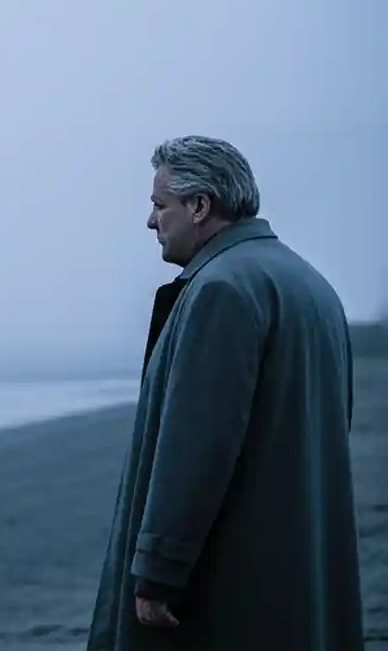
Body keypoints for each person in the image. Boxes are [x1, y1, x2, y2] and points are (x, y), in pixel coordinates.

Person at [87, 136, 363, 649]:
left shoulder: (222, 290)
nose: (151, 222)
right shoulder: (313, 286)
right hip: (299, 565)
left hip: (232, 577)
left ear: (199, 206)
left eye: (158, 205)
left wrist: (158, 571)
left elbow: (196, 446)